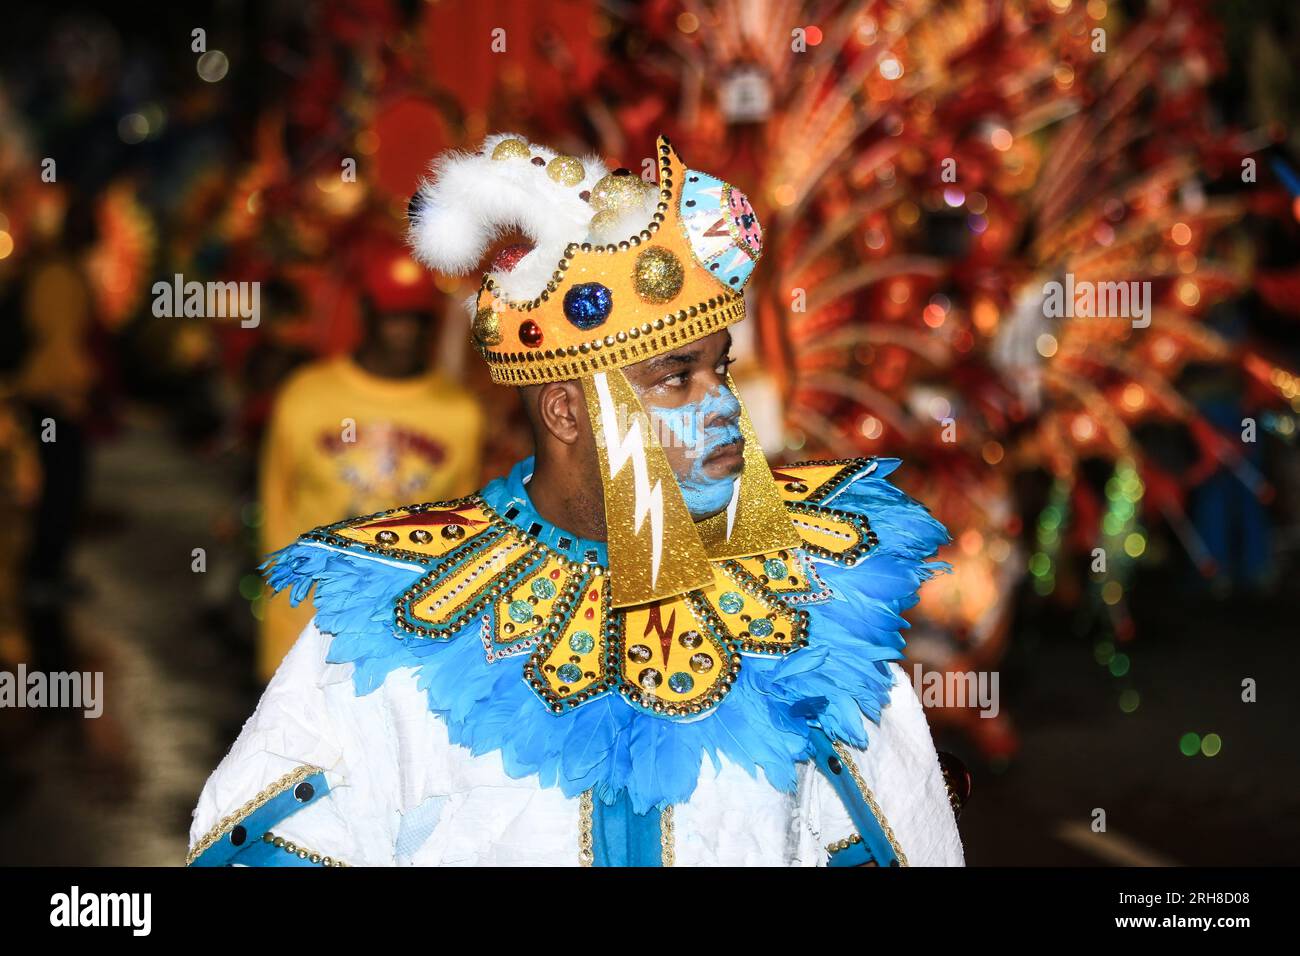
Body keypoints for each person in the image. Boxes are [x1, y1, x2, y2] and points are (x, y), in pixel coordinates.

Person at [188, 134, 966, 866]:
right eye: (675, 378)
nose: (724, 404)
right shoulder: (396, 621)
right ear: (566, 412)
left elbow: (899, 839)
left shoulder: (816, 590)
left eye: (720, 369)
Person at [255, 233, 486, 681]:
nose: (406, 332)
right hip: (307, 624)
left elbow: (460, 529)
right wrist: (284, 618)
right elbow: (275, 504)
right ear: (366, 313)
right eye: (394, 317)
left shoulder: (459, 414)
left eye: (418, 319)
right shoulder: (306, 395)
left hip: (404, 635)